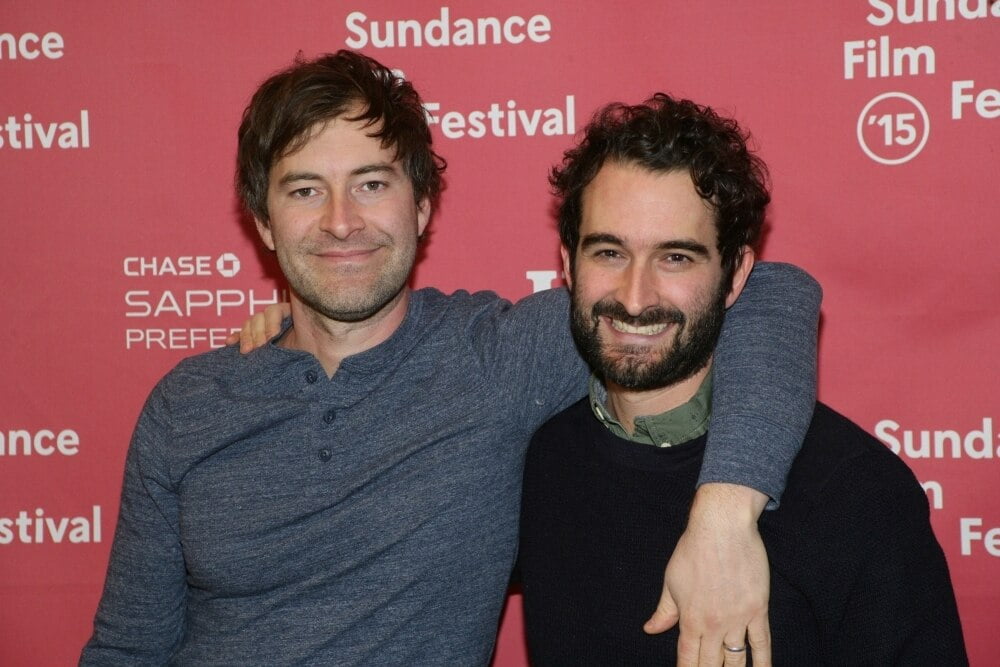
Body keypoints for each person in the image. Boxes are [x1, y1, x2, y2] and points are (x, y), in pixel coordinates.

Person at [81, 51, 820, 665]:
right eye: (306, 190)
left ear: (422, 206)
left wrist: (725, 517)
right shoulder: (190, 403)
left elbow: (769, 292)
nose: (341, 222)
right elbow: (128, 647)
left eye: (372, 184)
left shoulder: (499, 358)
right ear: (264, 222)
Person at [517, 93, 968, 665]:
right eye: (609, 252)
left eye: (676, 258)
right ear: (566, 263)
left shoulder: (852, 490)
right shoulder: (537, 460)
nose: (634, 297)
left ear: (735, 277)